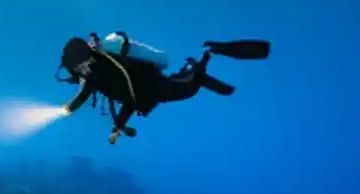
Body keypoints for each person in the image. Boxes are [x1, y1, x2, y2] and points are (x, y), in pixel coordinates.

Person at [56, 31, 270, 144]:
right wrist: (118, 127)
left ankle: (208, 57)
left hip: (156, 88)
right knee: (183, 82)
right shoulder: (96, 78)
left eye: (82, 66)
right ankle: (196, 68)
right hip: (148, 93)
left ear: (87, 58)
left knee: (189, 86)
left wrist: (118, 125)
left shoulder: (107, 66)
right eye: (78, 69)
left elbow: (129, 92)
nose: (82, 72)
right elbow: (125, 98)